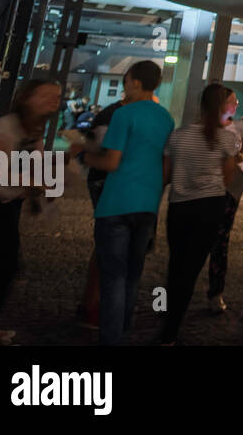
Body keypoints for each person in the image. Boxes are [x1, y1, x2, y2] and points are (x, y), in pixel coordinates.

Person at [73, 60, 172, 346]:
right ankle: (124, 328)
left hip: (117, 202)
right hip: (147, 203)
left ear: (135, 82)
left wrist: (83, 155)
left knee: (113, 276)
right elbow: (164, 165)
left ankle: (111, 338)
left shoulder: (124, 115)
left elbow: (111, 161)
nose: (126, 84)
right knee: (132, 273)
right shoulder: (165, 118)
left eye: (127, 79)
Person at [0, 79, 61, 345]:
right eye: (47, 95)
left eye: (57, 97)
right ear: (27, 98)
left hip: (6, 205)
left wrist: (46, 188)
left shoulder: (35, 133)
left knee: (1, 267)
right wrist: (33, 182)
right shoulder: (7, 125)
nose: (54, 101)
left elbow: (35, 174)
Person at [160, 84, 240, 344]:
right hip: (210, 207)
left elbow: (167, 175)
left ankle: (167, 322)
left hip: (180, 206)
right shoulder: (226, 140)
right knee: (192, 267)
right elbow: (228, 179)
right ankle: (172, 325)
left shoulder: (178, 136)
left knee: (177, 263)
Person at [74, 97, 125, 329]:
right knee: (107, 245)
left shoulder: (114, 114)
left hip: (107, 182)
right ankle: (92, 306)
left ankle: (92, 304)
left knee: (106, 244)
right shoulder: (113, 116)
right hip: (104, 182)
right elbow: (104, 156)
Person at [206, 95, 243, 315]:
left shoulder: (237, 129)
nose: (235, 105)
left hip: (228, 190)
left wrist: (235, 156)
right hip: (206, 189)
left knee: (221, 243)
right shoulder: (205, 129)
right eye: (231, 100)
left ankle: (215, 291)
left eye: (236, 102)